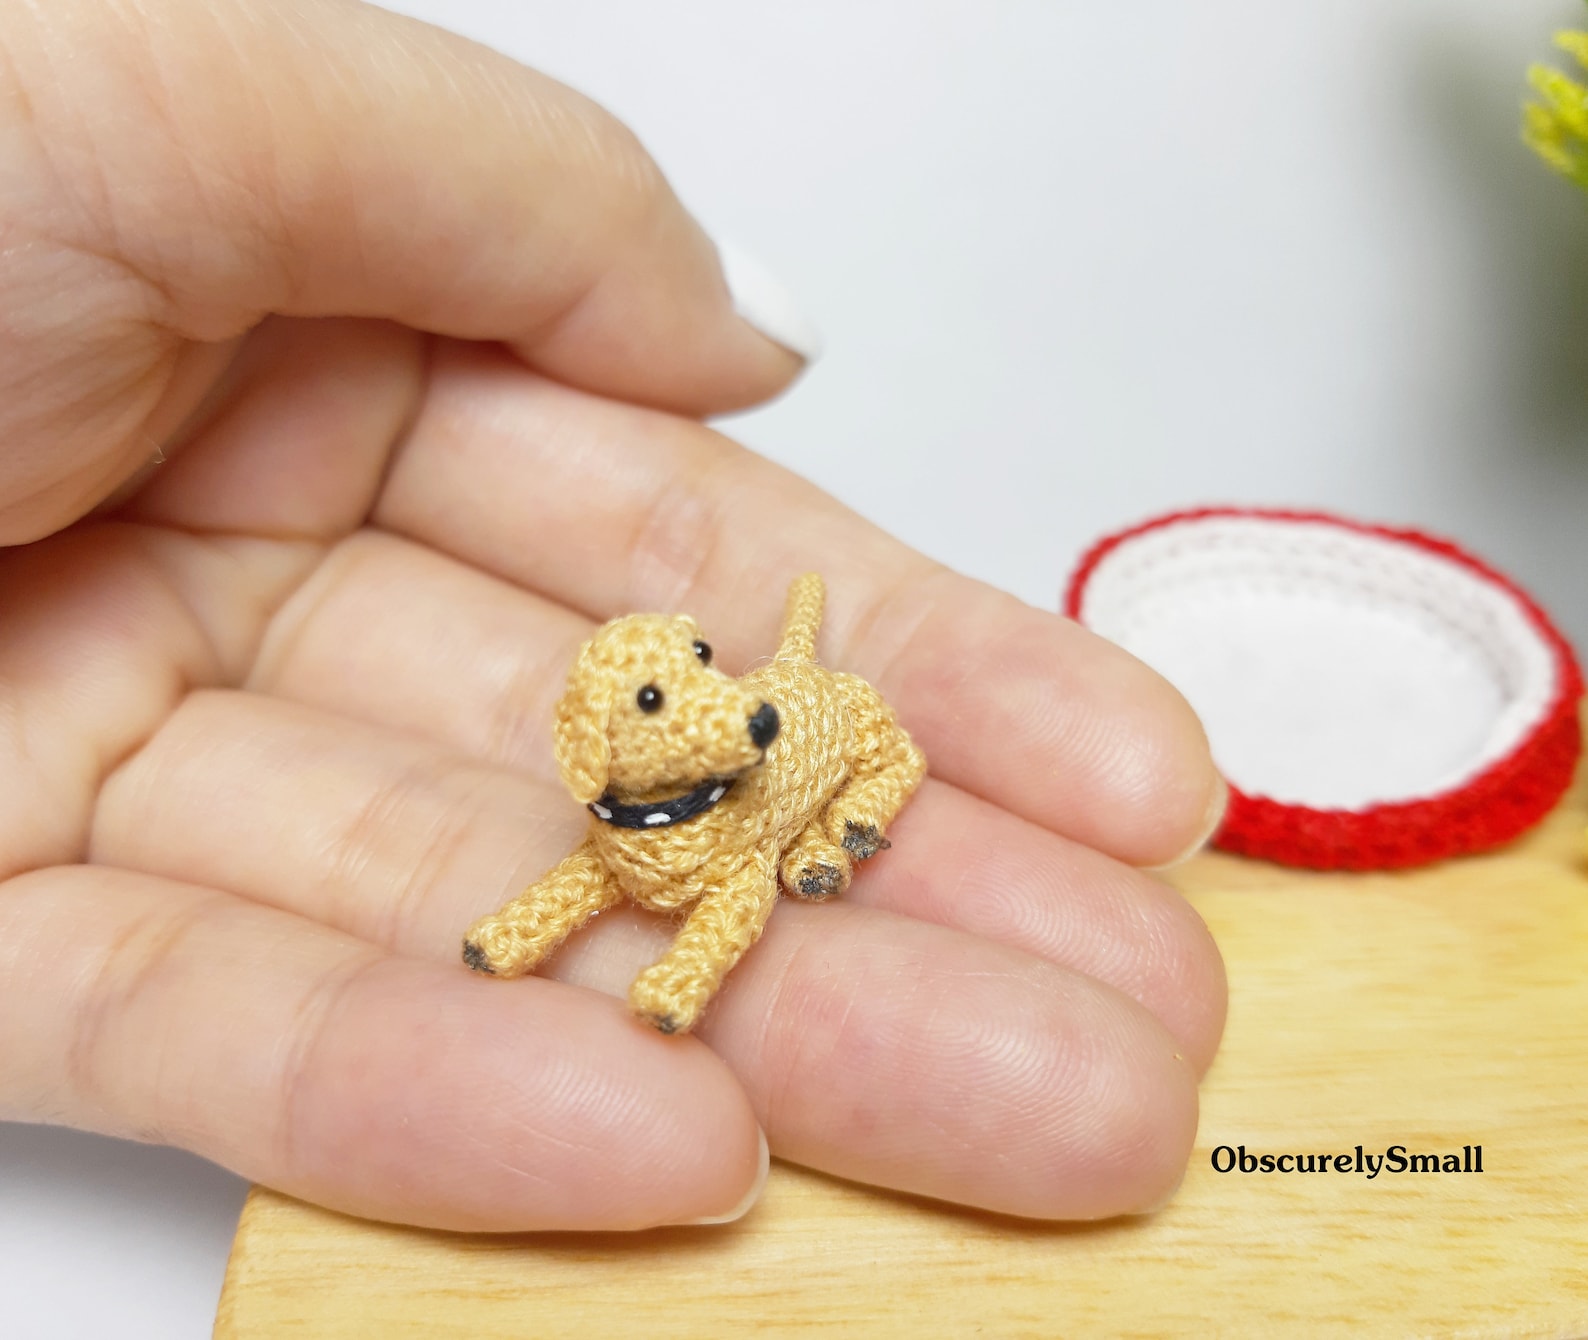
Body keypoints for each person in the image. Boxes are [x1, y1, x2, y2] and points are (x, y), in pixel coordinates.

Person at [0, 0, 1227, 1231]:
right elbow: (597, 870)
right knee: (590, 888)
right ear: (595, 742)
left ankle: (839, 820)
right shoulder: (613, 811)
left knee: (846, 764)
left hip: (805, 779)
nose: (713, 698)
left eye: (697, 664)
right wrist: (518, 925)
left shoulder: (775, 737)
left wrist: (699, 952)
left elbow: (735, 891)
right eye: (662, 694)